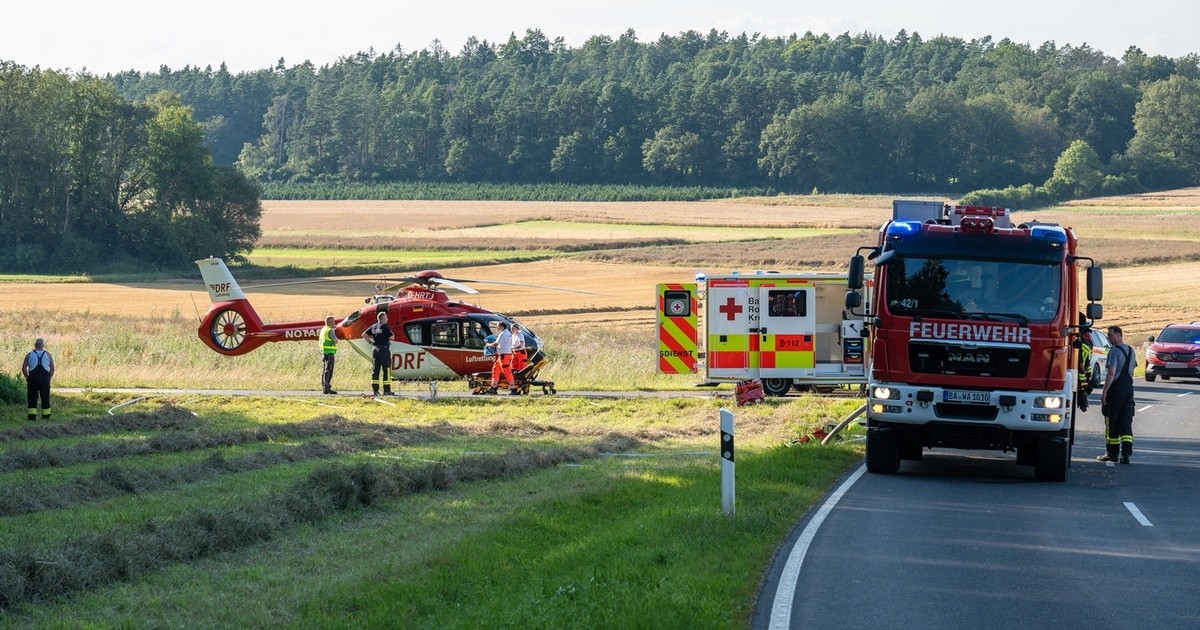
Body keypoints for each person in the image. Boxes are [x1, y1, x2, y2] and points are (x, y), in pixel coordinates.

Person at [1098, 325, 1136, 464]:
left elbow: (1112, 372)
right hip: (1128, 390)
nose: (1109, 338)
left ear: (1119, 335)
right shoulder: (1131, 351)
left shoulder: (1113, 351)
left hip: (1116, 390)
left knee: (1111, 422)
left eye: (1110, 335)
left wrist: (1105, 392)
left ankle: (1112, 453)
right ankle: (1126, 453)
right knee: (1126, 422)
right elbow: (1131, 371)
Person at [22, 337, 55, 421]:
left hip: (33, 378)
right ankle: (46, 417)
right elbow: (52, 369)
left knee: (32, 397)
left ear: (35, 345)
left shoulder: (29, 354)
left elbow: (24, 368)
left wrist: (27, 378)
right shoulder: (48, 355)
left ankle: (32, 417)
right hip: (45, 379)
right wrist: (48, 378)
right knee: (45, 397)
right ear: (43, 345)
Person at [363, 311, 394, 396]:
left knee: (375, 370)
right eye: (386, 317)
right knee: (386, 370)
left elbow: (364, 335)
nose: (387, 319)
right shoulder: (385, 327)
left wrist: (370, 342)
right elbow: (392, 337)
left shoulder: (373, 327)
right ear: (382, 319)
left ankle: (375, 390)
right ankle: (387, 390)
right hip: (383, 350)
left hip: (375, 350)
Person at [487, 321, 517, 395]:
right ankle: (493, 387)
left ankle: (513, 388)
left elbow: (495, 344)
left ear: (501, 326)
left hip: (504, 356)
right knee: (495, 369)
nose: (497, 328)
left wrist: (487, 344)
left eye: (498, 326)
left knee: (506, 371)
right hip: (503, 355)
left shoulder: (502, 334)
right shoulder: (509, 333)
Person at [1076, 315, 1094, 411]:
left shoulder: (1081, 337)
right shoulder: (1086, 336)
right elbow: (1087, 360)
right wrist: (1088, 375)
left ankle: (1082, 397)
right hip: (1083, 372)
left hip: (1080, 372)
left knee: (1083, 390)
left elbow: (1082, 362)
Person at [319, 315, 338, 394]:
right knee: (329, 370)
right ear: (330, 322)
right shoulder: (330, 330)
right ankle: (327, 388)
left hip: (324, 352)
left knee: (325, 370)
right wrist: (336, 340)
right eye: (333, 321)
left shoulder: (323, 329)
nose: (334, 322)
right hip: (329, 353)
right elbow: (335, 340)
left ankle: (325, 387)